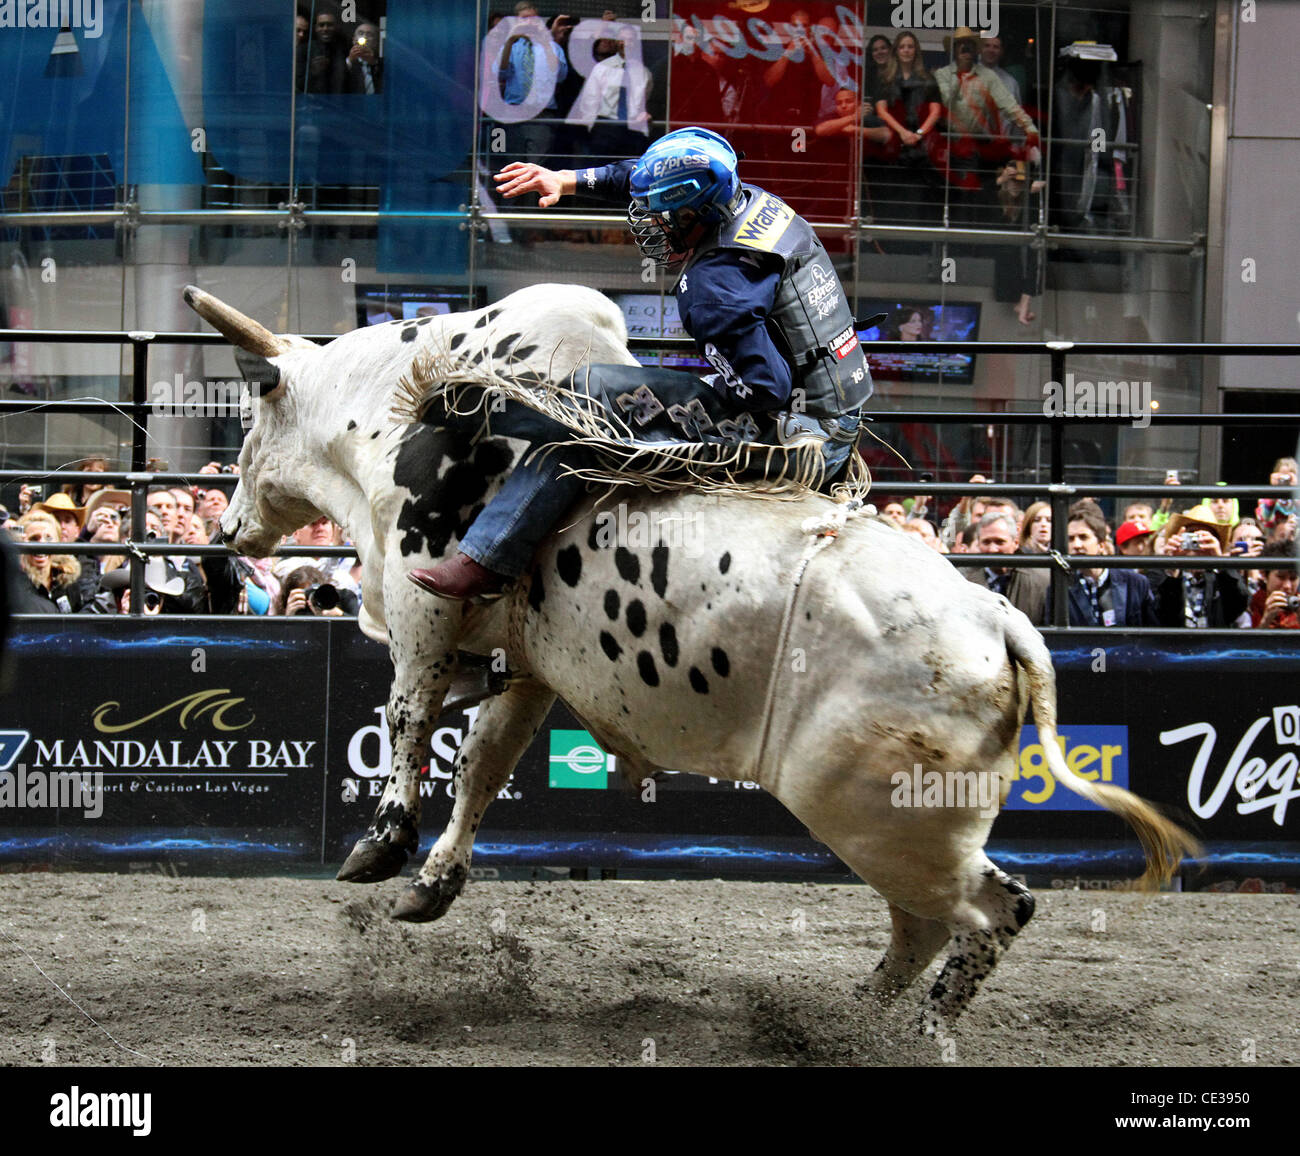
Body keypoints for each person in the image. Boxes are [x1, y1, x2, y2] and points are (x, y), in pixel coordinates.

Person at [408, 126, 874, 601]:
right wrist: (565, 181)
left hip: (797, 434)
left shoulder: (714, 292)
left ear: (694, 215)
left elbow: (766, 389)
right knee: (621, 396)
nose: (645, 220)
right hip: (830, 405)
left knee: (591, 413)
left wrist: (673, 408)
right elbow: (640, 177)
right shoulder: (746, 200)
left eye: (660, 215)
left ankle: (485, 544)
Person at [1066, 507, 1158, 627]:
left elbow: (1154, 632)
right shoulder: (1059, 589)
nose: (1076, 545)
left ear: (1101, 545)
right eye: (1070, 539)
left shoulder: (1136, 583)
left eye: (1083, 537)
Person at [964, 510, 1047, 625]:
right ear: (978, 544)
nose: (993, 549)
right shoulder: (963, 582)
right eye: (986, 542)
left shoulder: (1041, 581)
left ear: (1015, 543)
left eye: (1000, 542)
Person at [1249, 542, 1298, 628]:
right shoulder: (1250, 607)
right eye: (1281, 577)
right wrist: (1265, 621)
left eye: (1293, 578)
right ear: (1263, 573)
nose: (1288, 586)